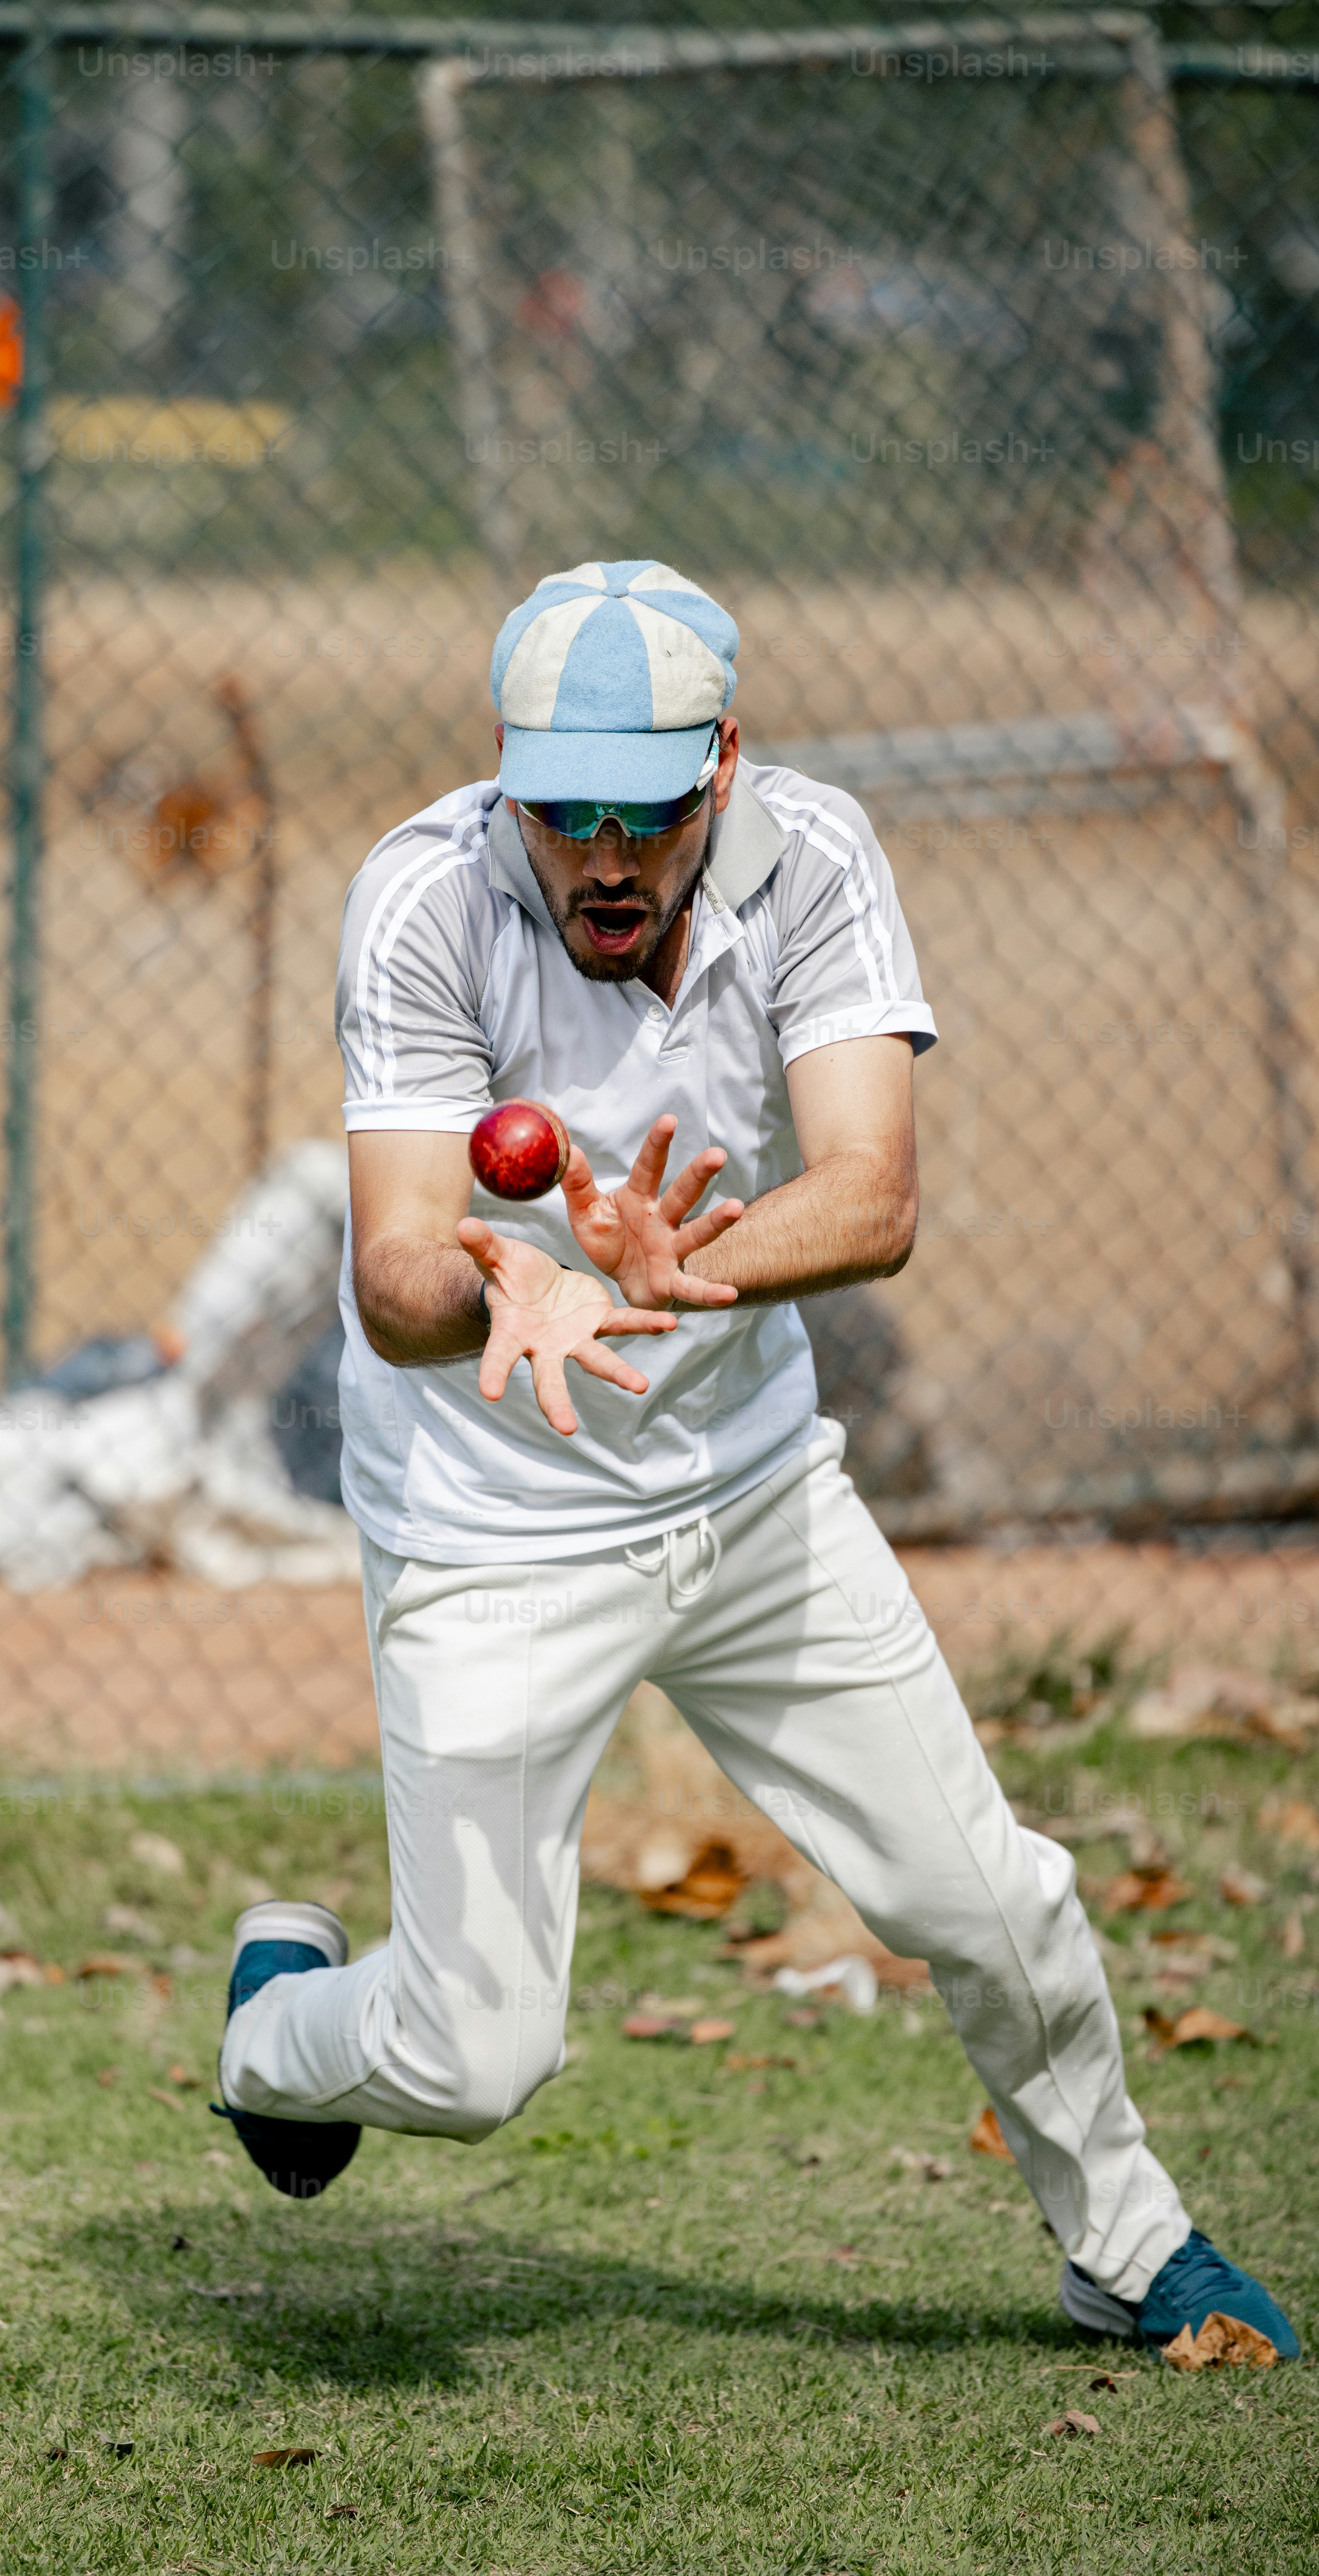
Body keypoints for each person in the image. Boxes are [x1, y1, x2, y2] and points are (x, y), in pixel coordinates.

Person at [213, 560, 1297, 2364]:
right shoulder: (422, 893)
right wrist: (511, 1266)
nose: (603, 855)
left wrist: (671, 1269)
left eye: (644, 811)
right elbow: (397, 1272)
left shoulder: (818, 854)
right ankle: (275, 2028)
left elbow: (874, 1194)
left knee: (991, 1901)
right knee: (474, 2062)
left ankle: (1130, 2243)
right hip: (489, 1525)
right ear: (510, 781)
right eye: (562, 811)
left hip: (747, 1491)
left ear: (724, 766)